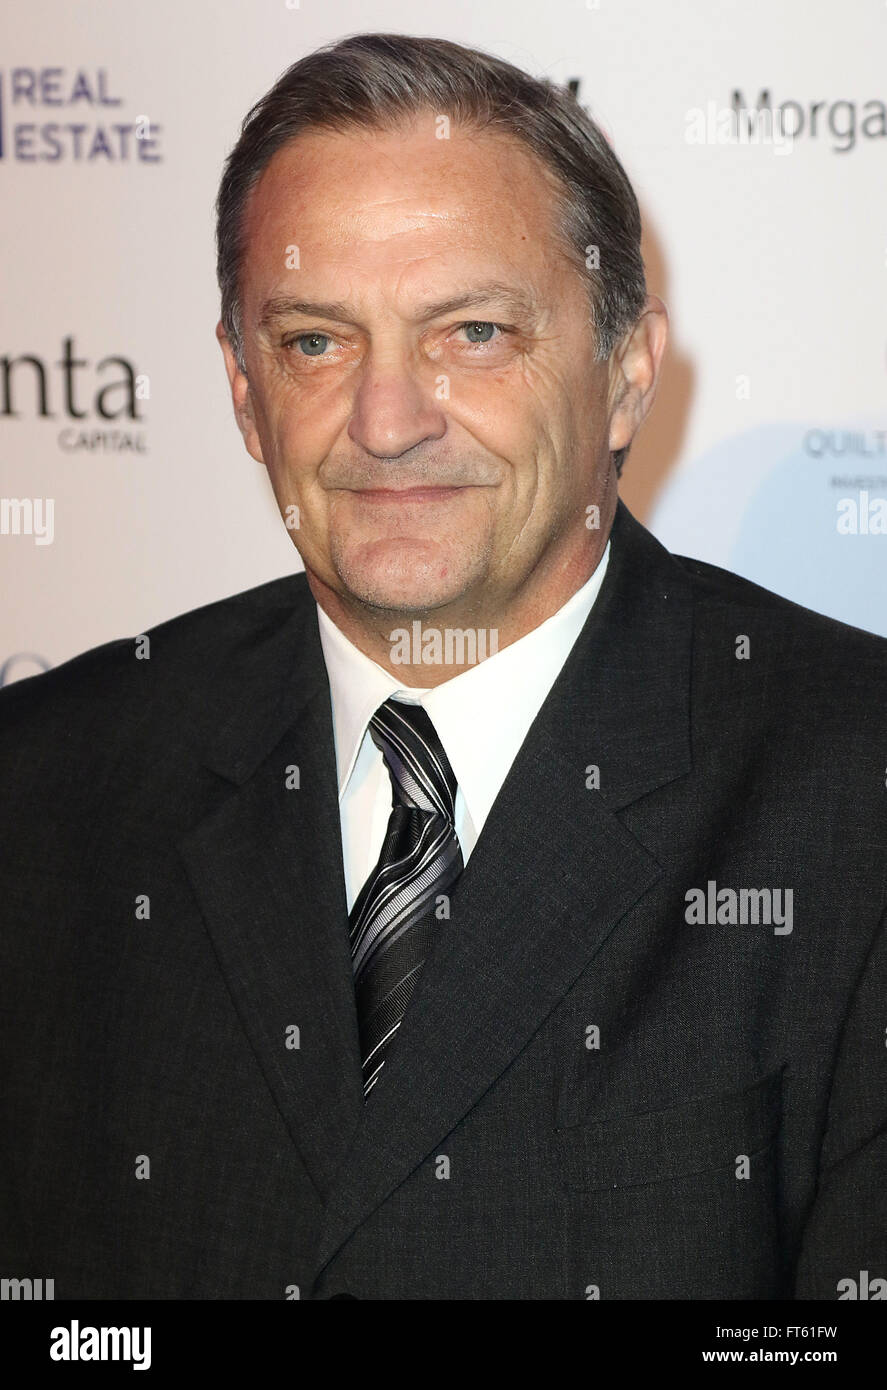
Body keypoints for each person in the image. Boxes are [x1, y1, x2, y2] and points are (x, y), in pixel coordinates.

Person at [1, 31, 885, 1301]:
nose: (387, 419)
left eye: (471, 332)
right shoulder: (44, 784)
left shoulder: (854, 787)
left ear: (624, 377)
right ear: (244, 394)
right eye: (315, 341)